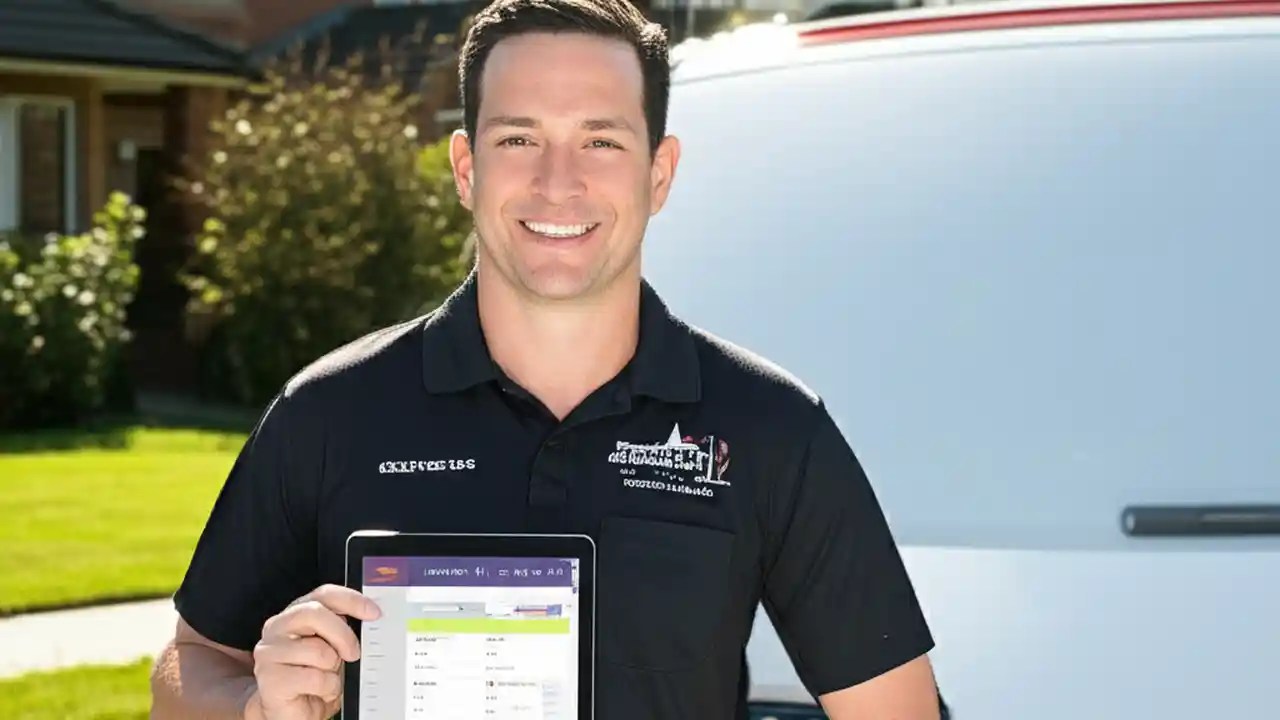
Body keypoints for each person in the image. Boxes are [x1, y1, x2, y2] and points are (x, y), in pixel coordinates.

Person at [149, 0, 940, 716]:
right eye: (519, 138)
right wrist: (255, 704)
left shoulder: (771, 429)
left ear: (658, 173)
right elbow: (186, 669)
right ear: (466, 168)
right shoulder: (328, 412)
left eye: (600, 140)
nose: (557, 182)